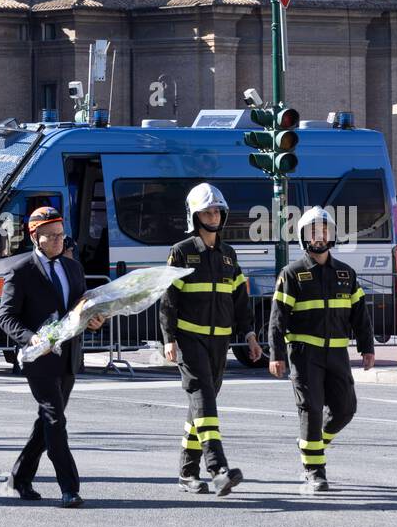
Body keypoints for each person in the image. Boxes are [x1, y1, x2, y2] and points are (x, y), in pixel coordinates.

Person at [0, 206, 105, 507]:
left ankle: (19, 478)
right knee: (56, 420)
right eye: (52, 236)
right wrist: (32, 337)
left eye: (61, 235)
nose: (59, 241)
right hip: (40, 359)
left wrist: (96, 321)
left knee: (46, 422)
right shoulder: (20, 271)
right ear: (35, 236)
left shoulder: (73, 268)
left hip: (69, 357)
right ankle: (69, 487)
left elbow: (81, 311)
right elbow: (6, 318)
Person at [160, 183, 261, 496]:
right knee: (204, 401)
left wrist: (250, 334)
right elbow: (168, 299)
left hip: (220, 344)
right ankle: (218, 469)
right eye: (207, 210)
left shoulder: (229, 255)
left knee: (199, 409)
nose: (213, 215)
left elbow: (240, 302)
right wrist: (169, 338)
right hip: (190, 341)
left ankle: (187, 473)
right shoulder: (181, 252)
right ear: (195, 215)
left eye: (217, 210)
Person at [269, 206, 375, 495]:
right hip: (304, 355)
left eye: (325, 230)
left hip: (337, 355)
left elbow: (360, 316)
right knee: (311, 409)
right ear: (305, 237)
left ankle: (311, 443)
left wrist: (367, 348)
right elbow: (278, 319)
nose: (320, 236)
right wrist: (276, 355)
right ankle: (314, 471)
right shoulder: (292, 274)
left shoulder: (345, 273)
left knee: (345, 409)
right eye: (314, 231)